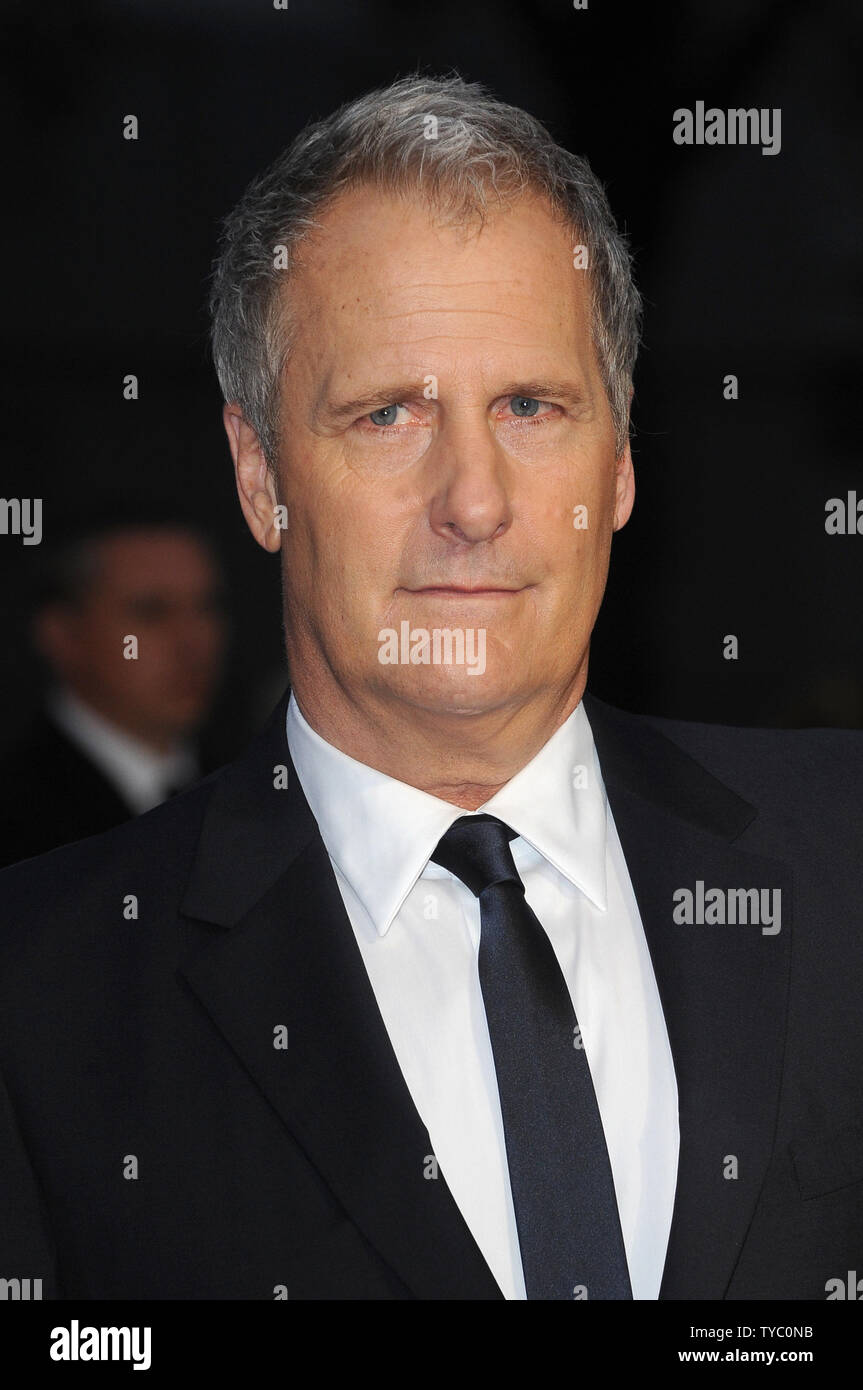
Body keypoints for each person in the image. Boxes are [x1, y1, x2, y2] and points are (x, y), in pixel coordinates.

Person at [0, 73, 860, 1301]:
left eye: (528, 404)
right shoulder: (40, 994)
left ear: (616, 462)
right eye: (388, 413)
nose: (473, 499)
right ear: (259, 476)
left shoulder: (845, 856)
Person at [0, 510, 226, 868]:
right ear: (63, 635)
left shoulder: (248, 787)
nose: (193, 643)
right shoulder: (17, 822)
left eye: (205, 608)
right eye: (151, 612)